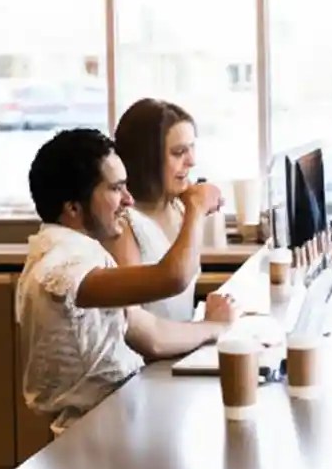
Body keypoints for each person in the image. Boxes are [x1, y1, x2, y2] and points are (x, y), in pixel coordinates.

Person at [16, 128, 239, 436]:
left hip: (118, 418)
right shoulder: (62, 262)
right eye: (116, 189)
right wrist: (196, 209)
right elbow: (173, 277)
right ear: (73, 208)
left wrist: (215, 326)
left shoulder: (85, 254)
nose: (129, 200)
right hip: (91, 437)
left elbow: (152, 335)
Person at [103, 98, 212, 321]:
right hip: (154, 353)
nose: (192, 161)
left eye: (192, 148)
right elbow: (133, 324)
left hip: (184, 345)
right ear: (147, 160)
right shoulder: (122, 223)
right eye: (179, 152)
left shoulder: (181, 207)